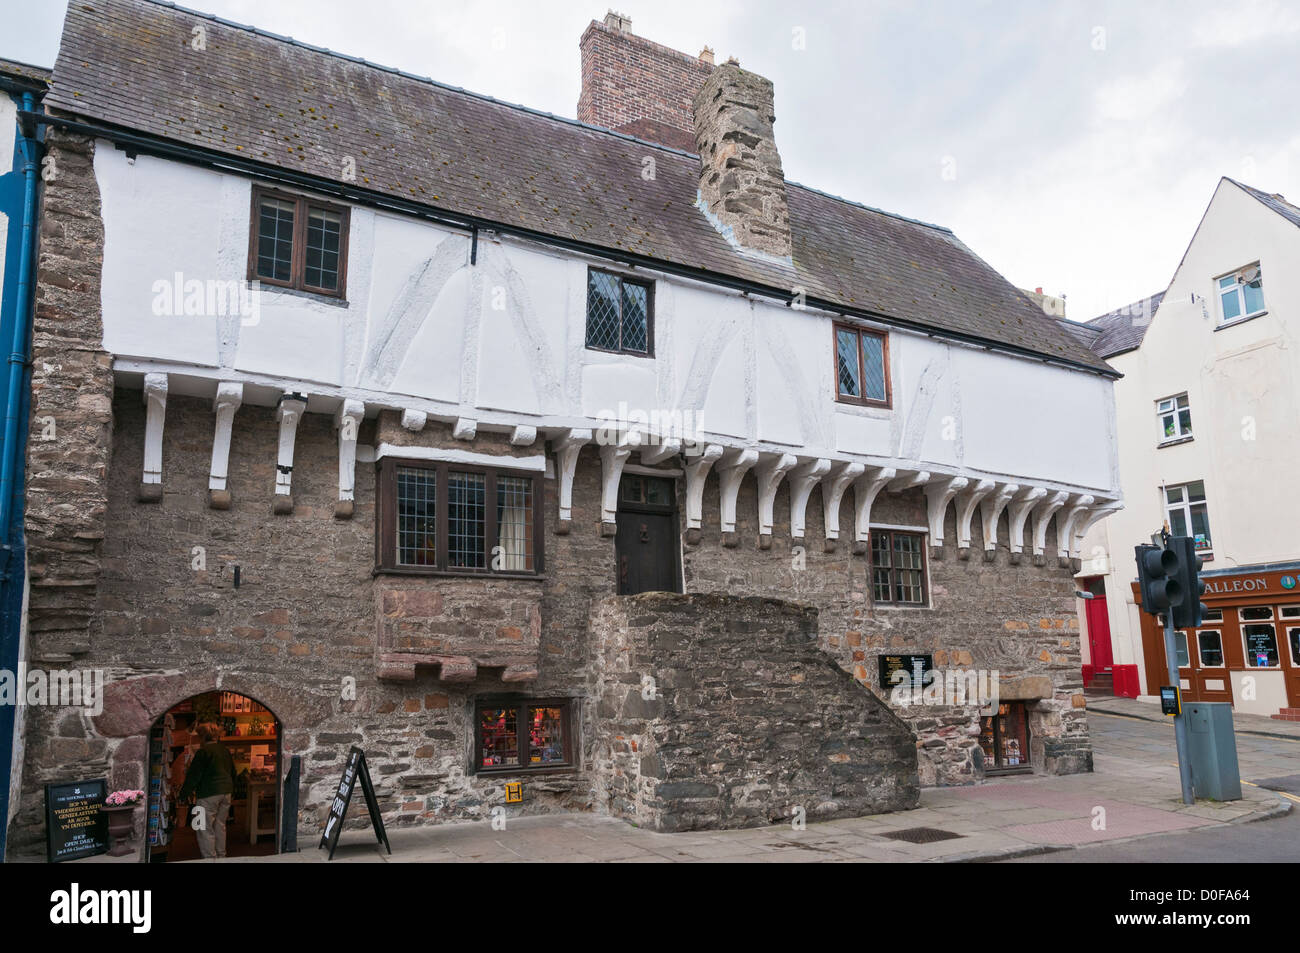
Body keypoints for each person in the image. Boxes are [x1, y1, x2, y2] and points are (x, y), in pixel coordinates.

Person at [179, 722, 236, 859]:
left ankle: (210, 858)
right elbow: (233, 772)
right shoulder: (224, 750)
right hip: (226, 792)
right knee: (220, 826)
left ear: (203, 737)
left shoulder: (203, 752)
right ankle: (221, 856)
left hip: (208, 793)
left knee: (203, 827)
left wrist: (183, 794)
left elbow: (194, 776)